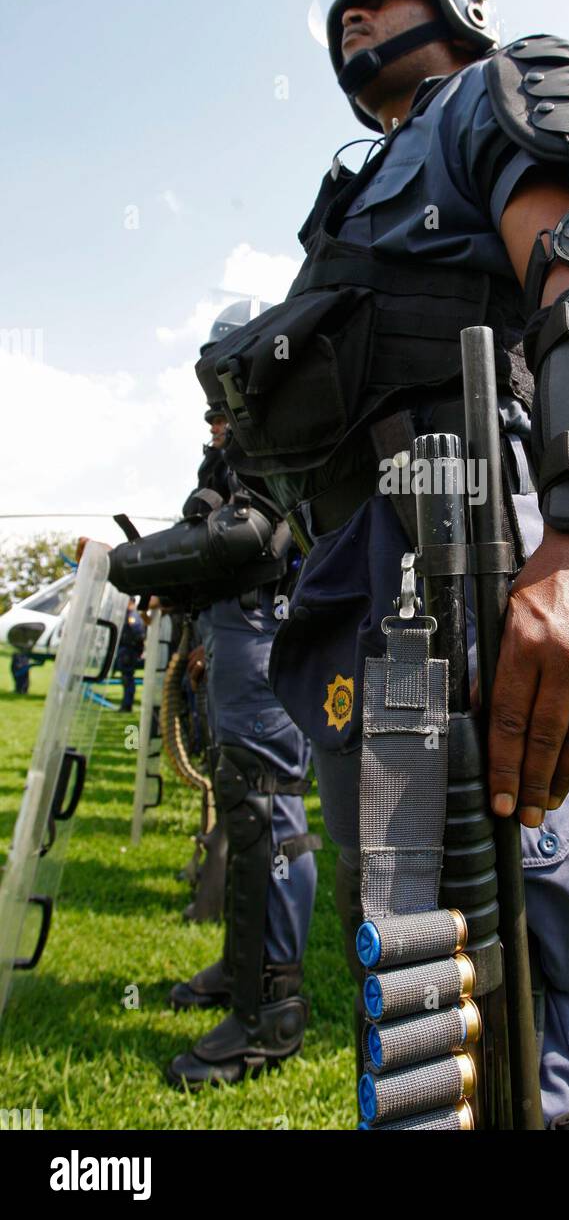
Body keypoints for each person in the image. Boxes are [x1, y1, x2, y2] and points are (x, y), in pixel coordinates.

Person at [198, 0, 569, 1129]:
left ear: (456, 0)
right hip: (364, 629)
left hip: (477, 585)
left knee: (527, 990)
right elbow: (322, 452)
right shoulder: (345, 208)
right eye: (337, 13)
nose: (351, 16)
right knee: (412, 991)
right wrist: (232, 542)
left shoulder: (490, 101)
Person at [108, 313, 319, 1088]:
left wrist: (133, 565)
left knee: (268, 807)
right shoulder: (235, 444)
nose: (217, 410)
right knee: (244, 804)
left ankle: (274, 1014)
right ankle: (244, 972)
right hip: (237, 635)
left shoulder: (282, 432)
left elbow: (248, 539)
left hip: (267, 632)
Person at [115, 599, 145, 712]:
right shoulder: (128, 614)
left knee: (127, 678)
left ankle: (127, 705)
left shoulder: (133, 615)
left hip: (129, 650)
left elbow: (138, 632)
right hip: (126, 649)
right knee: (126, 678)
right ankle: (126, 704)